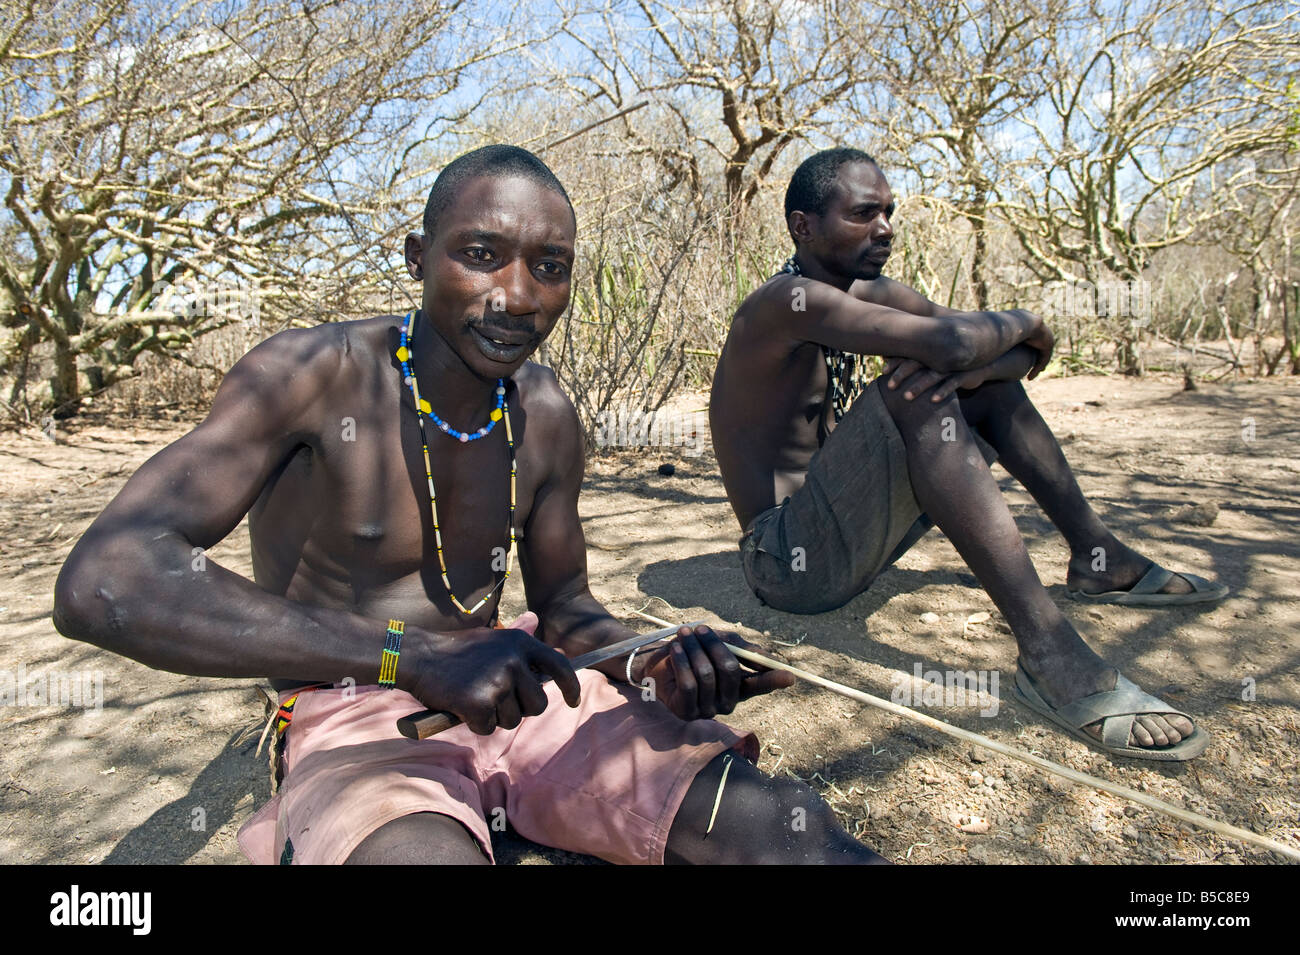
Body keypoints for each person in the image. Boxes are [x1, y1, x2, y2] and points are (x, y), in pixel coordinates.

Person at [53, 144, 885, 864]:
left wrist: (654, 655)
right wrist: (411, 658)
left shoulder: (546, 412)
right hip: (359, 710)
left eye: (549, 267)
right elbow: (105, 582)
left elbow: (565, 610)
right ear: (418, 256)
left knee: (783, 828)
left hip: (516, 687)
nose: (517, 295)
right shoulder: (311, 375)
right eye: (481, 253)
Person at [709, 147, 1227, 761]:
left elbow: (998, 357)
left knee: (967, 384)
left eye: (890, 213)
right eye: (864, 213)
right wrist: (1027, 322)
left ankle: (1100, 557)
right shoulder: (783, 303)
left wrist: (986, 364)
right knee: (915, 390)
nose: (886, 228)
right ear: (804, 226)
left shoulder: (871, 292)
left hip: (842, 536)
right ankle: (1049, 652)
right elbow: (958, 341)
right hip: (785, 563)